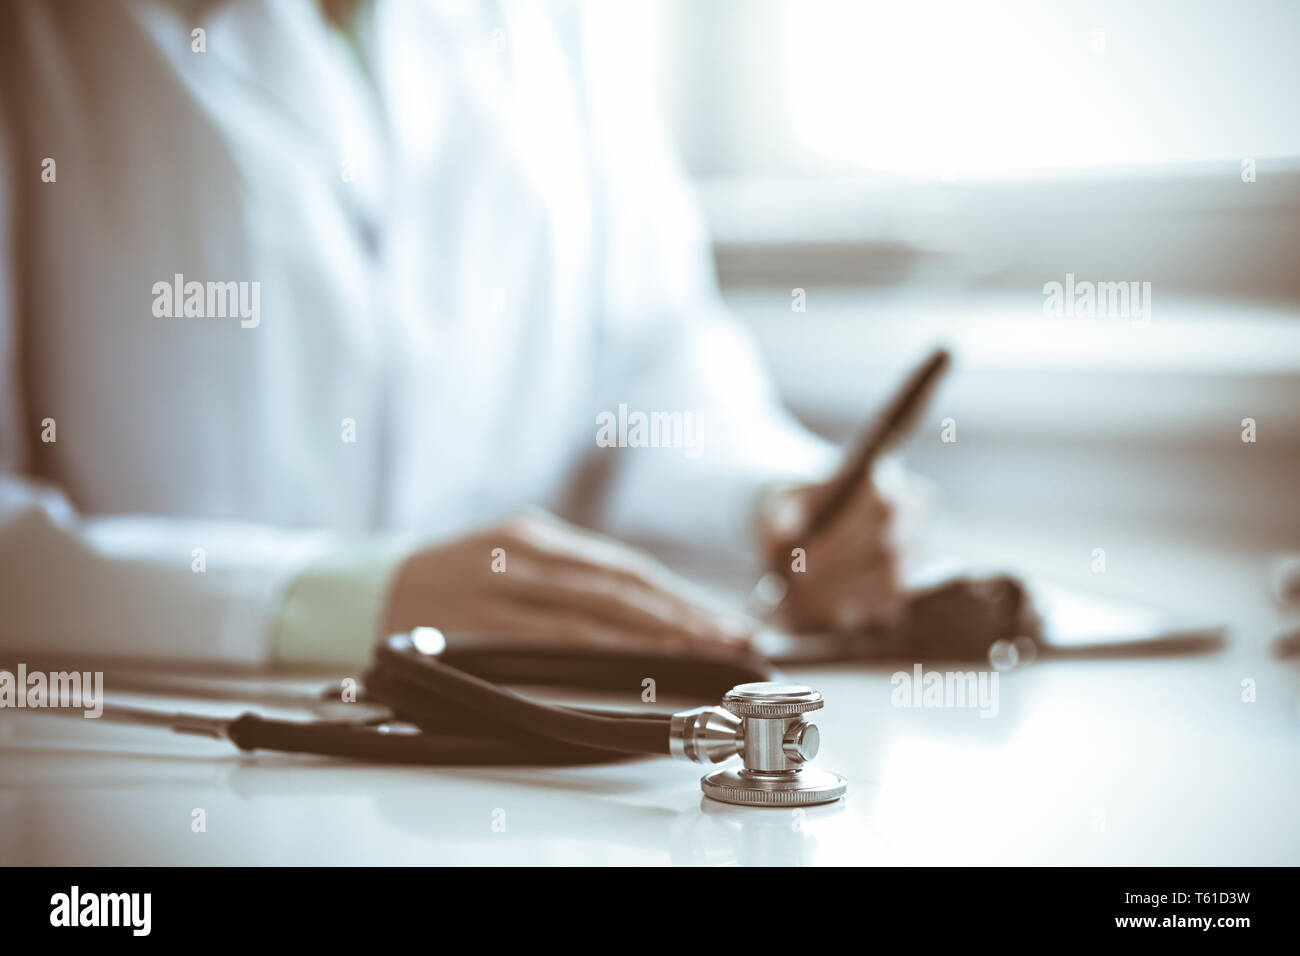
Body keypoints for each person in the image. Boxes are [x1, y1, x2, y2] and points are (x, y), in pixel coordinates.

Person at [0, 0, 898, 670]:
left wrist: (770, 498)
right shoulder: (40, 36)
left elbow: (650, 364)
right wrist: (343, 602)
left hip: (516, 751)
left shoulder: (546, 24)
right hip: (149, 772)